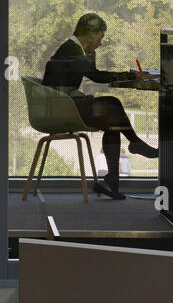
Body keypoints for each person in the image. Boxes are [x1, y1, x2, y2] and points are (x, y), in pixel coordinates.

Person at [43, 13, 158, 200]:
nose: (100, 44)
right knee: (112, 104)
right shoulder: (72, 50)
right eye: (100, 38)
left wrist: (76, 93)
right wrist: (133, 76)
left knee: (112, 124)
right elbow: (97, 76)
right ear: (90, 33)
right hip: (60, 111)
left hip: (62, 105)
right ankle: (135, 143)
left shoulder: (71, 49)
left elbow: (60, 81)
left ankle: (111, 182)